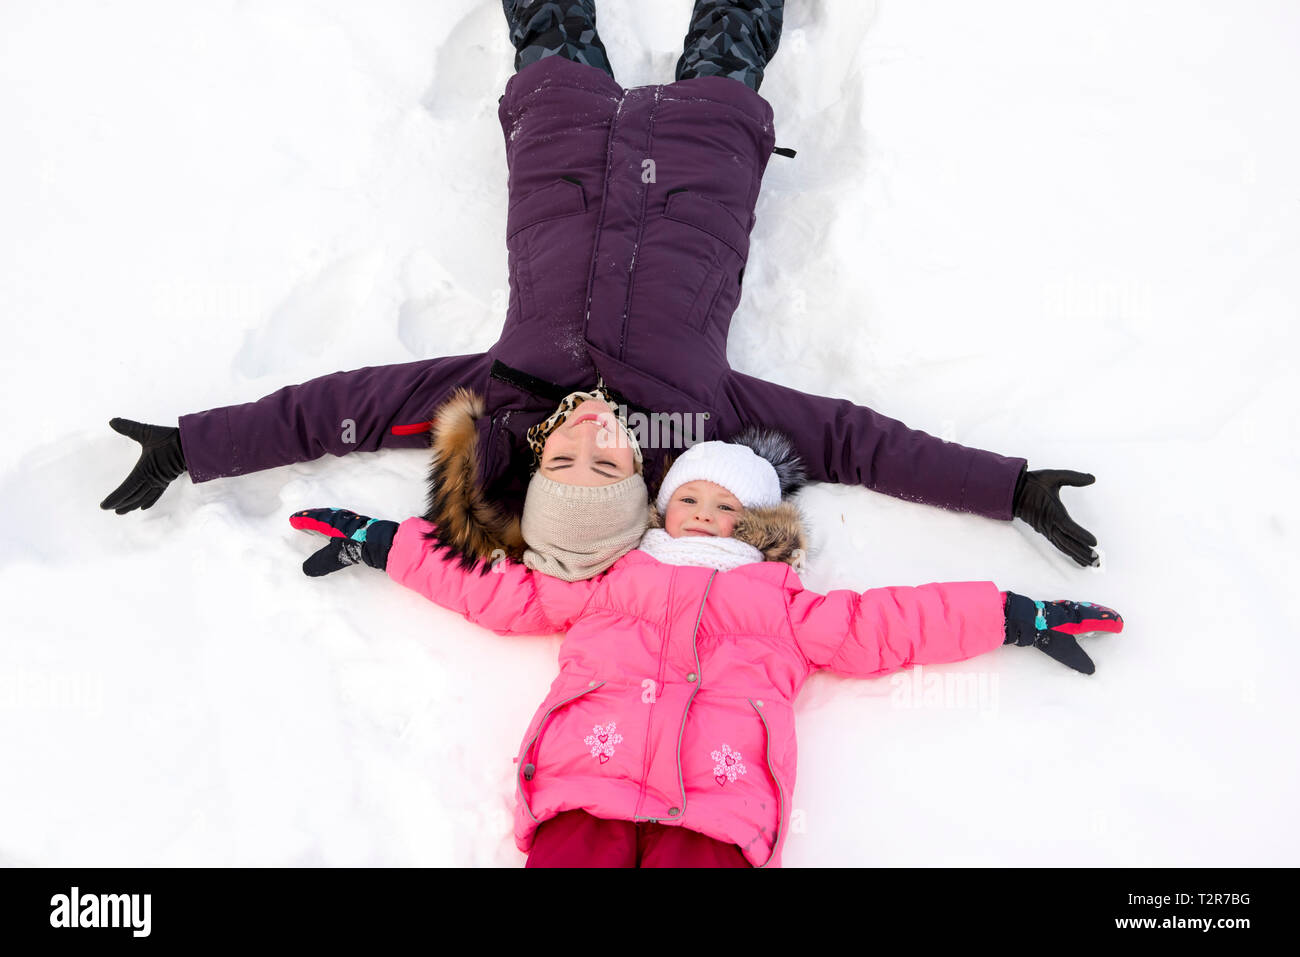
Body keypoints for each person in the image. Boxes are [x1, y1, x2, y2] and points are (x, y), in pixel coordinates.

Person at [102, 0, 1102, 570]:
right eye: (611, 471)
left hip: (566, 138)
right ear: (645, 479)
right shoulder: (701, 419)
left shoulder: (494, 394)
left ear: (531, 469)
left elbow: (344, 409)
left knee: (546, 23)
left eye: (562, 469)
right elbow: (852, 440)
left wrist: (195, 446)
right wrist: (1006, 488)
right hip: (706, 150)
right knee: (735, 31)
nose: (591, 448)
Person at [288, 431, 1124, 867]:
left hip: (718, 803)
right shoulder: (610, 575)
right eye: (685, 496)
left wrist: (1017, 614)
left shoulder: (785, 604)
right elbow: (499, 590)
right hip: (588, 780)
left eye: (722, 505)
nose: (699, 512)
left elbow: (891, 623)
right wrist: (385, 542)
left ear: (754, 524)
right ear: (661, 508)